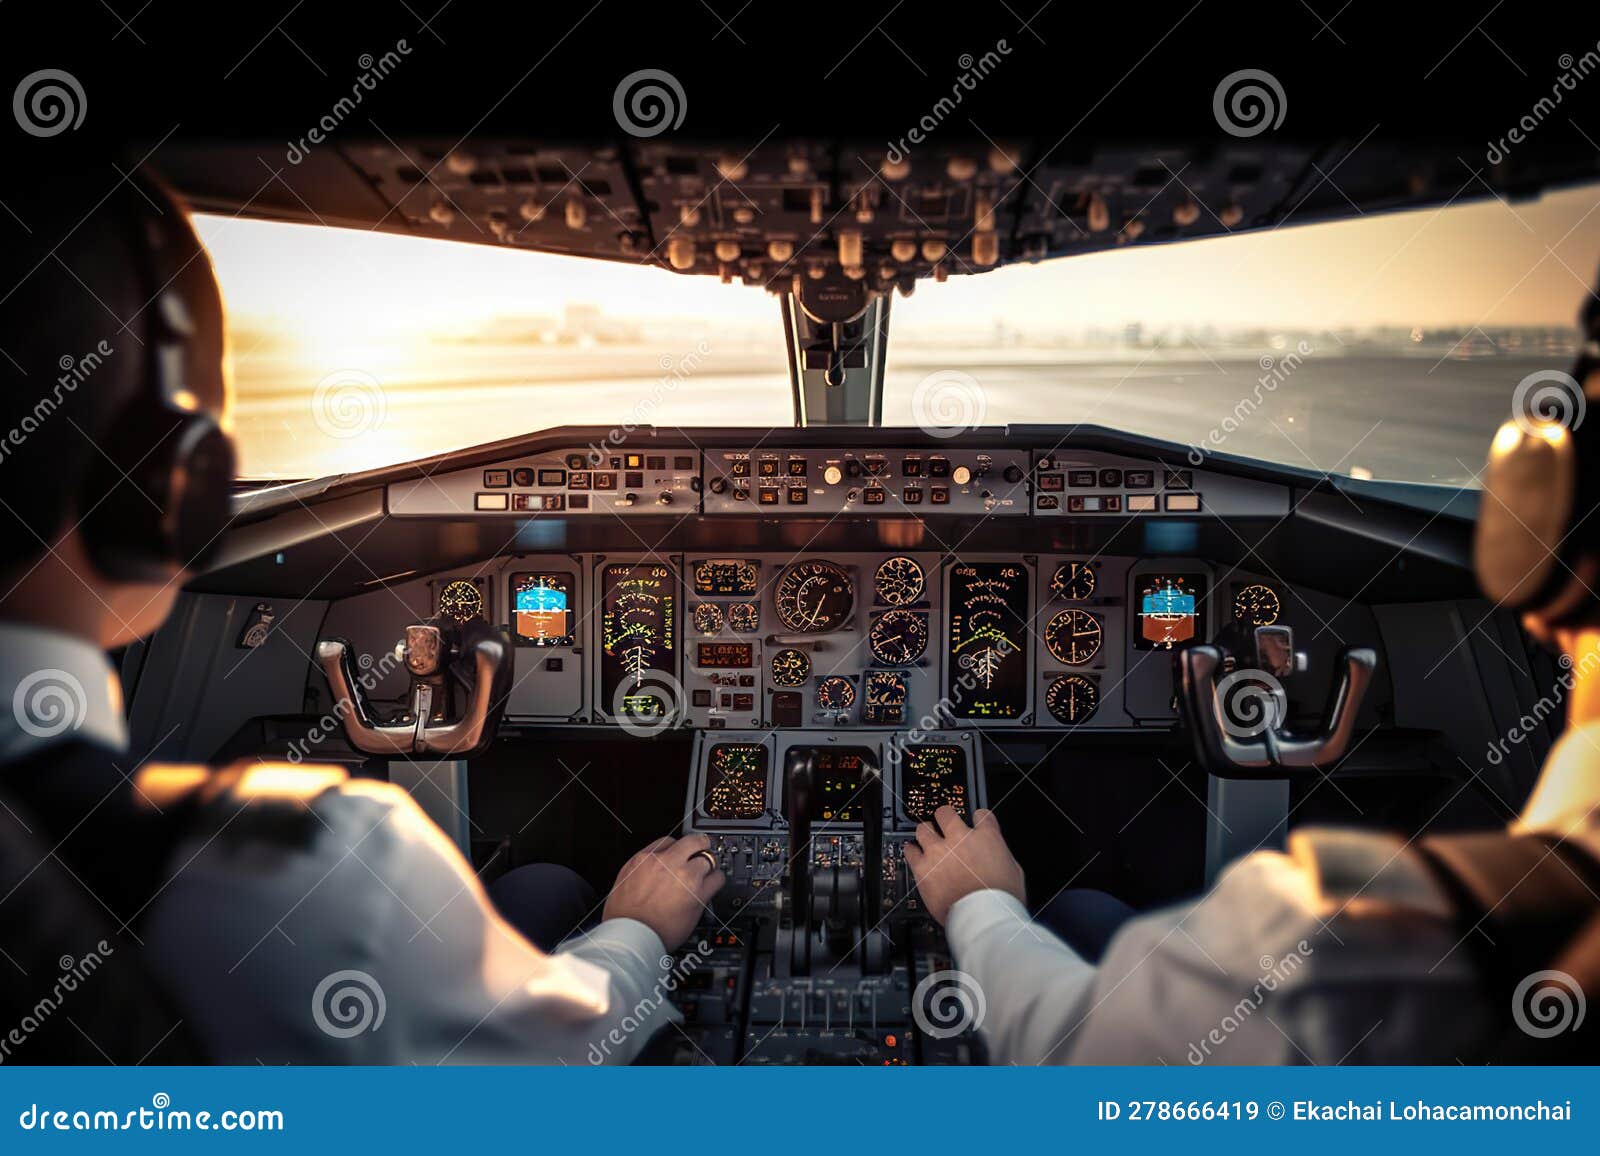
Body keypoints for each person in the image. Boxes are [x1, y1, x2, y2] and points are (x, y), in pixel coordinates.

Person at [0, 156, 722, 1064]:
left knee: (542, 884)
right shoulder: (297, 871)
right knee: (575, 906)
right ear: (170, 491)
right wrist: (642, 933)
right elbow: (552, 1069)